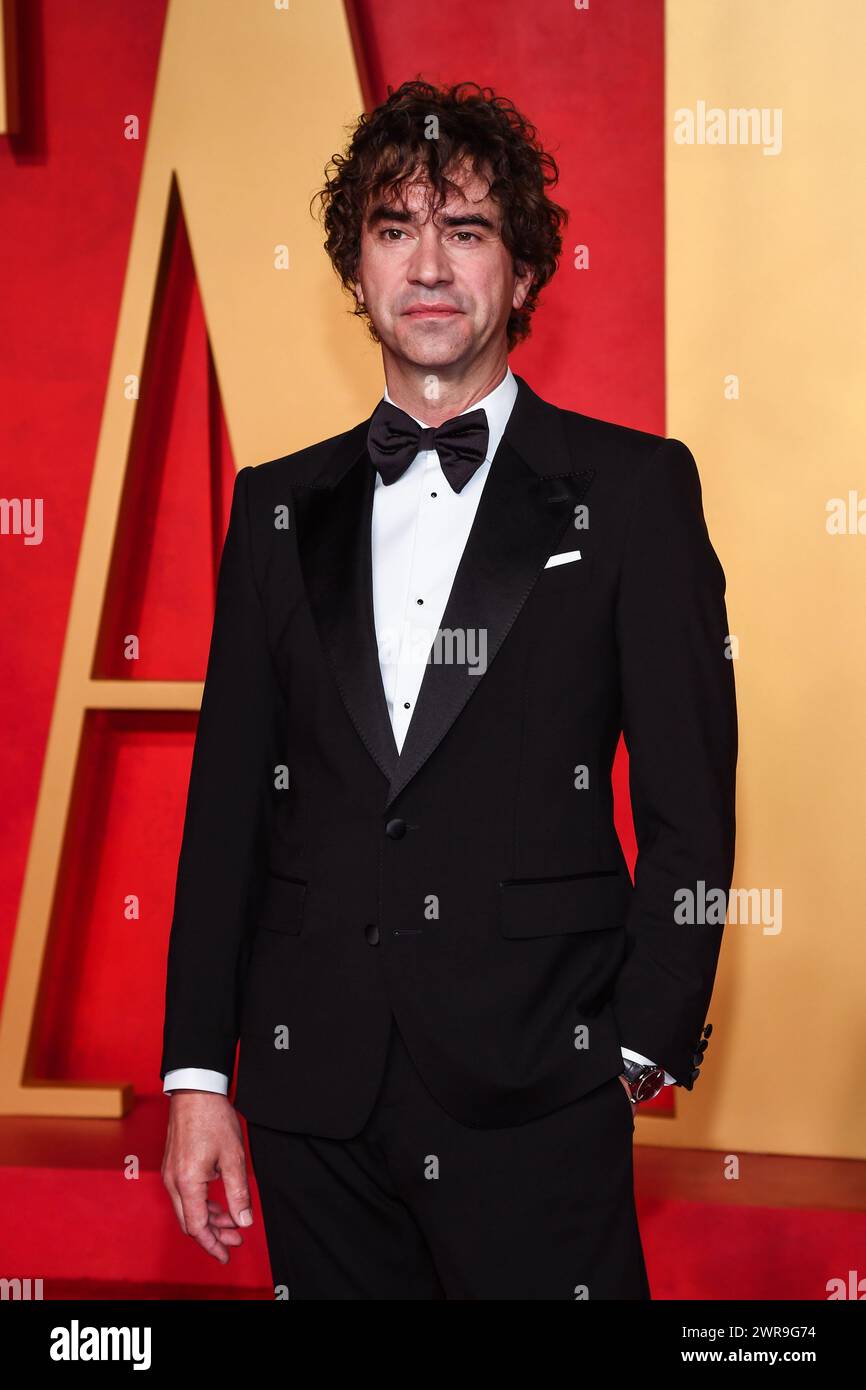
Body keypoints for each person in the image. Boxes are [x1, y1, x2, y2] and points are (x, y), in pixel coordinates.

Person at [160, 79, 737, 1300]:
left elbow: (690, 798)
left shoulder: (633, 493)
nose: (428, 264)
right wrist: (198, 1077)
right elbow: (226, 813)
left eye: (465, 230)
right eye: (392, 229)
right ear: (354, 273)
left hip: (539, 1079)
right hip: (314, 1089)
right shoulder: (273, 507)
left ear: (523, 273)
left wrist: (636, 1045)